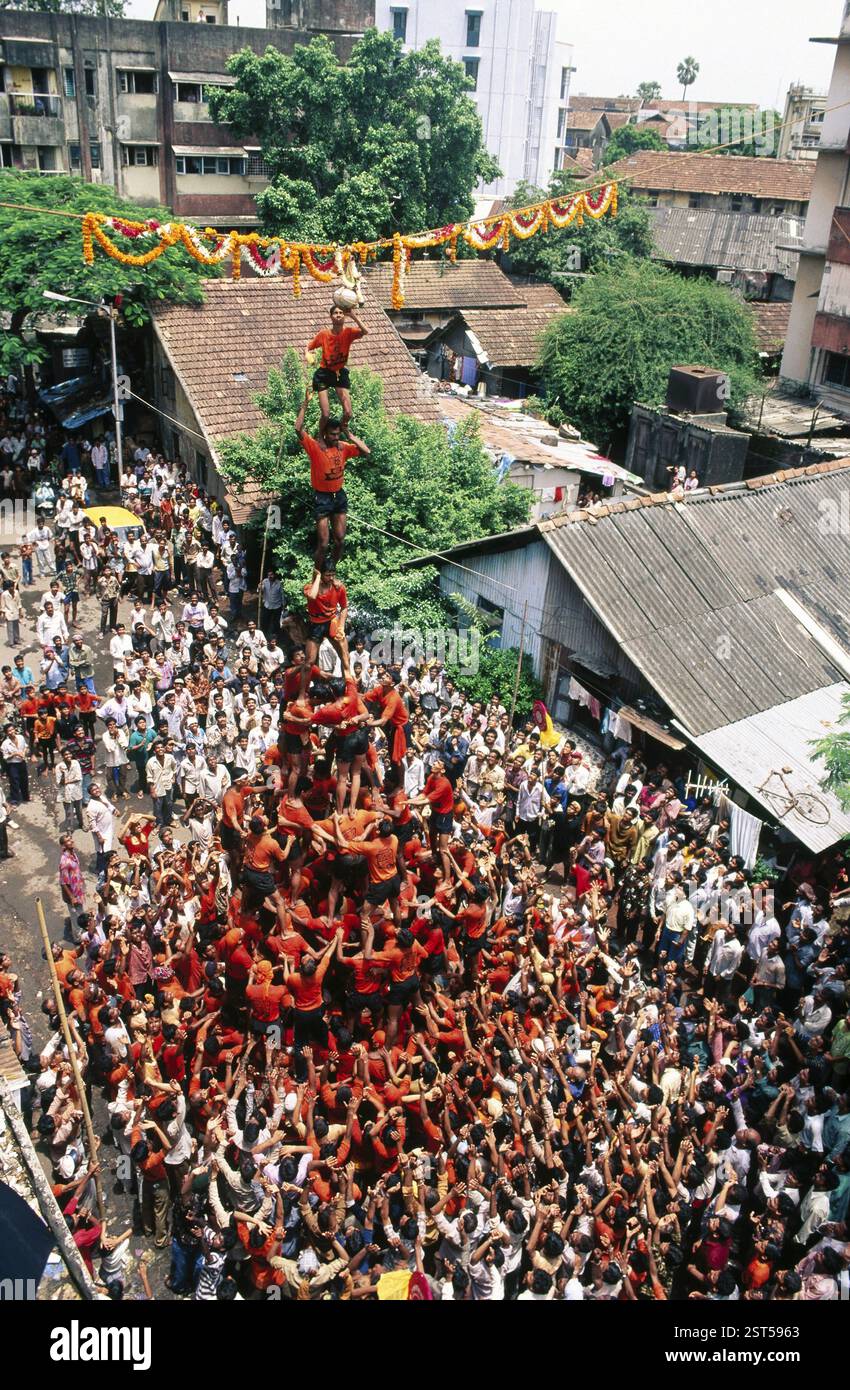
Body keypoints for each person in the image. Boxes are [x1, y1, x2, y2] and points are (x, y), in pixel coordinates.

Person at [294, 385, 370, 568]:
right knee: (323, 543)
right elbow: (298, 428)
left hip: (339, 495)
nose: (335, 437)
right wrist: (305, 404)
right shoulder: (316, 448)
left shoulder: (343, 447)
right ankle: (317, 572)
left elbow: (366, 451)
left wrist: (348, 433)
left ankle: (332, 569)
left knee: (340, 540)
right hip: (322, 497)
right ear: (325, 434)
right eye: (333, 434)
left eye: (337, 434)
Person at [305, 302, 368, 429]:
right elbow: (308, 346)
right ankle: (320, 436)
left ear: (344, 316)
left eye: (341, 313)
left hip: (340, 373)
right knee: (326, 414)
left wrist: (353, 316)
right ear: (331, 316)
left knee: (348, 413)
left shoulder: (349, 332)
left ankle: (343, 428)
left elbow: (365, 331)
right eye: (335, 313)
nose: (338, 315)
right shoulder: (324, 334)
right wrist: (307, 354)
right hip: (324, 374)